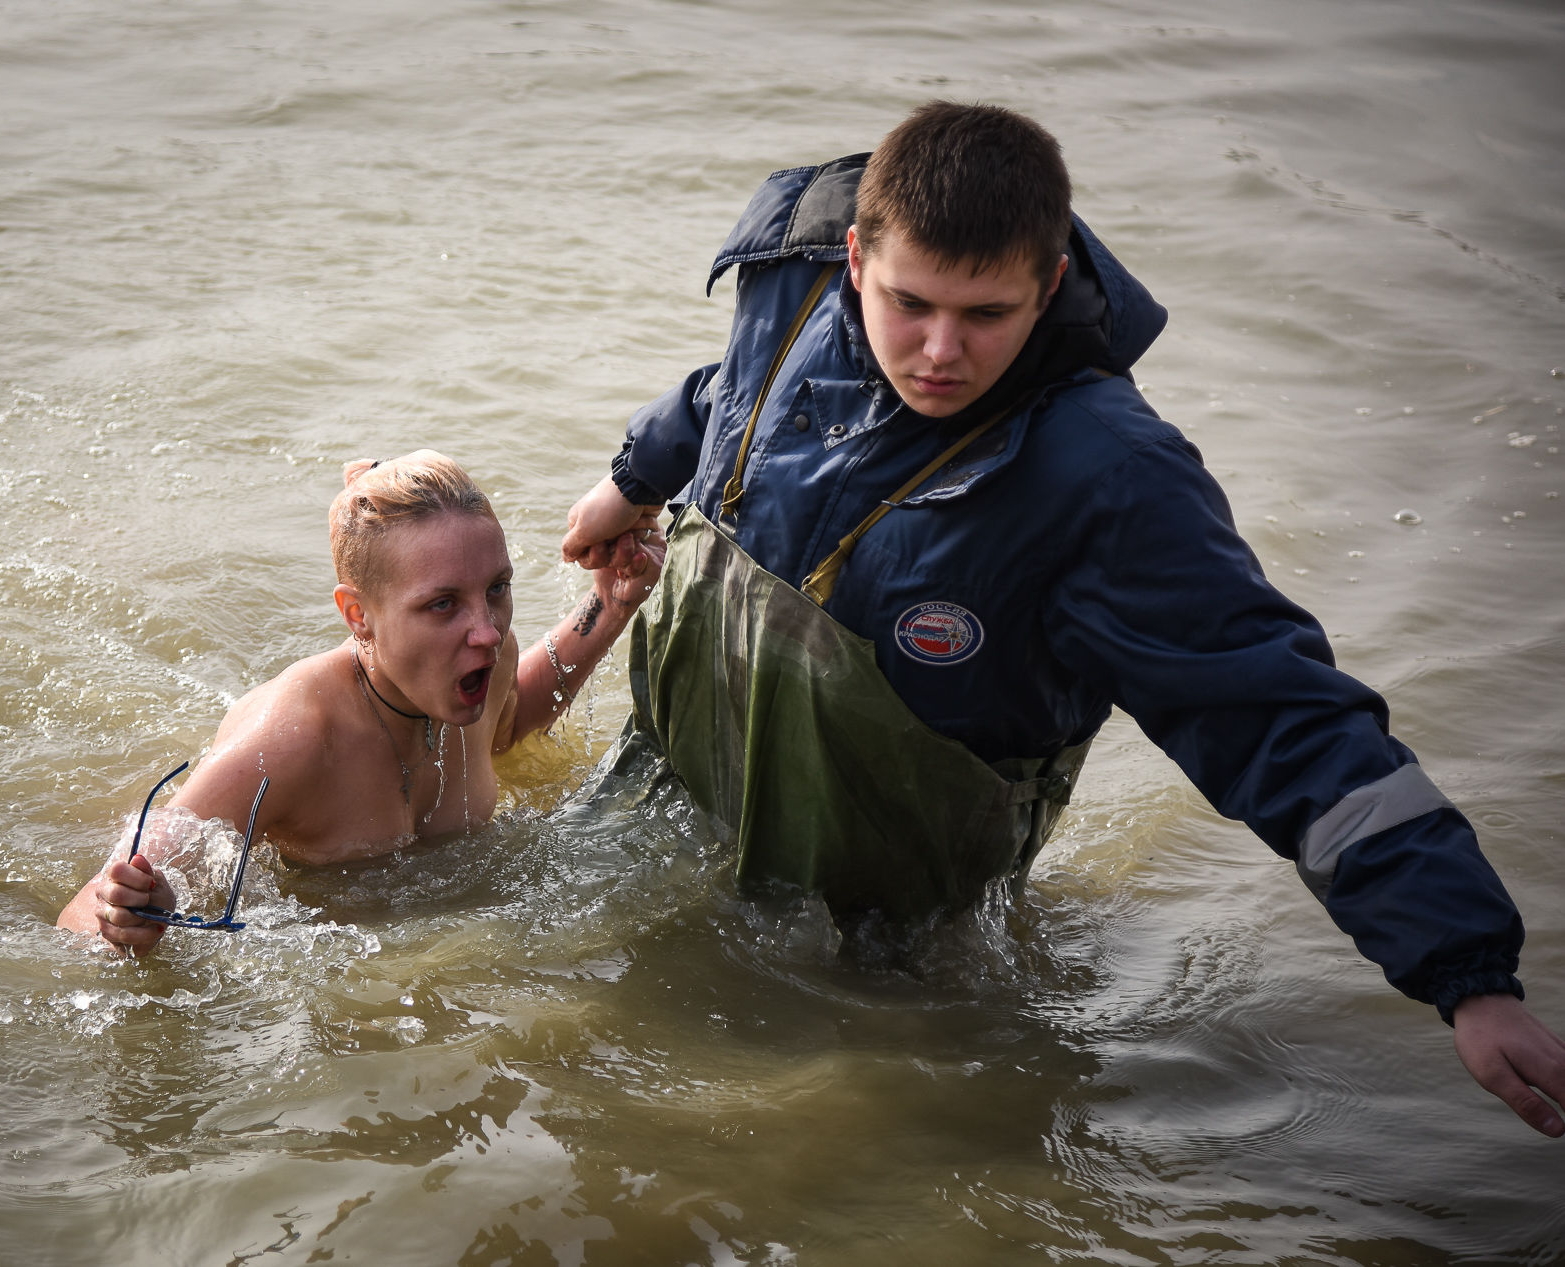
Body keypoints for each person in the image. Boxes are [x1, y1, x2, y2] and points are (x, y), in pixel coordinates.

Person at [559, 101, 1565, 1136]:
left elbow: (1280, 718)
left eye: (986, 315)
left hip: (877, 954)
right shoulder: (795, 275)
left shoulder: (1111, 484)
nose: (939, 350)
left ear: (1047, 286)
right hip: (659, 807)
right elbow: (728, 388)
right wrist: (632, 480)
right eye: (910, 303)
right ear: (854, 260)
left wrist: (1468, 976)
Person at [59, 450, 662, 956]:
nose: (486, 630)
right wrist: (133, 918)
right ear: (358, 615)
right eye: (443, 604)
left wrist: (611, 604)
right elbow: (84, 916)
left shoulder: (484, 655)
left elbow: (508, 721)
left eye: (496, 589)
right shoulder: (291, 740)